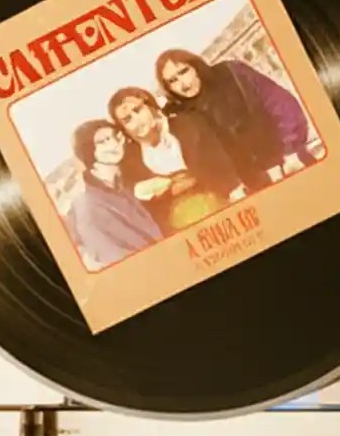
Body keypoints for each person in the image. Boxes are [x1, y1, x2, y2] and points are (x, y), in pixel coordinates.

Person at [154, 49, 315, 192]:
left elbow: (280, 104)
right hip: (253, 189)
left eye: (184, 71)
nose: (183, 84)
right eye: (173, 81)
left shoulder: (232, 73)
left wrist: (291, 152)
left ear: (195, 67)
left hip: (290, 164)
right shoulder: (177, 115)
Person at [106, 86, 244, 233]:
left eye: (138, 110)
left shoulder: (189, 124)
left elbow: (222, 164)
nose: (137, 121)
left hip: (225, 205)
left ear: (150, 106)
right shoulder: (130, 163)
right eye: (127, 120)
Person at [65, 119, 163, 270]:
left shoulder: (120, 185)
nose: (114, 144)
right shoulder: (89, 206)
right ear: (88, 150)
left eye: (115, 137)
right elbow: (116, 261)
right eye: (103, 141)